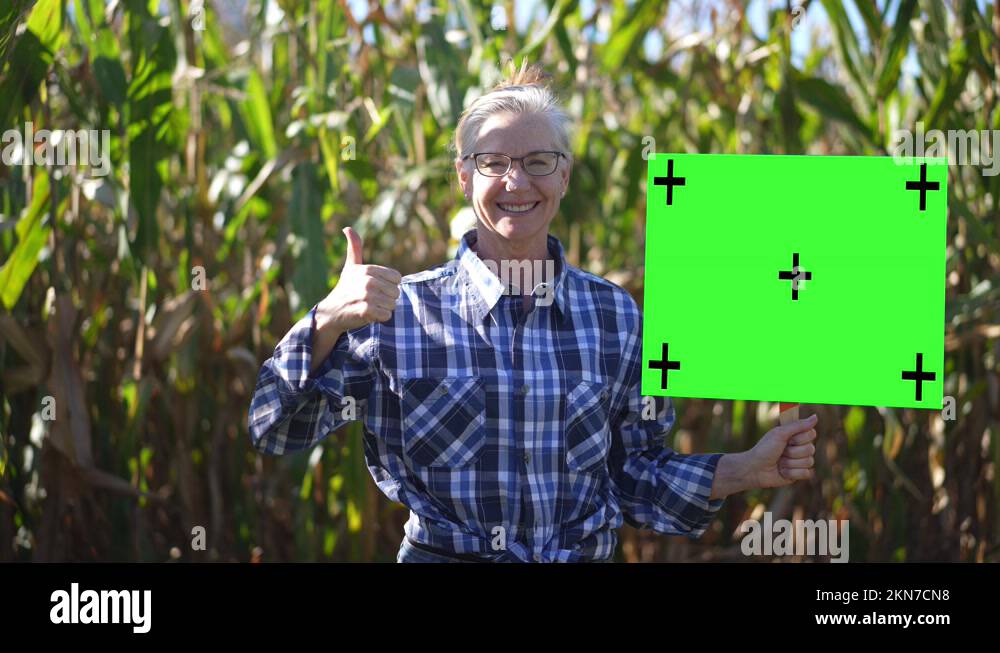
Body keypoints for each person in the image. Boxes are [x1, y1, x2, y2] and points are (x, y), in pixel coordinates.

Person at [247, 62, 818, 563]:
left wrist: (748, 468)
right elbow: (273, 429)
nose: (516, 182)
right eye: (493, 162)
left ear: (565, 175)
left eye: (538, 161)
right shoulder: (399, 313)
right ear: (464, 177)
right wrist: (324, 320)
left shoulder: (615, 317)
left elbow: (633, 475)